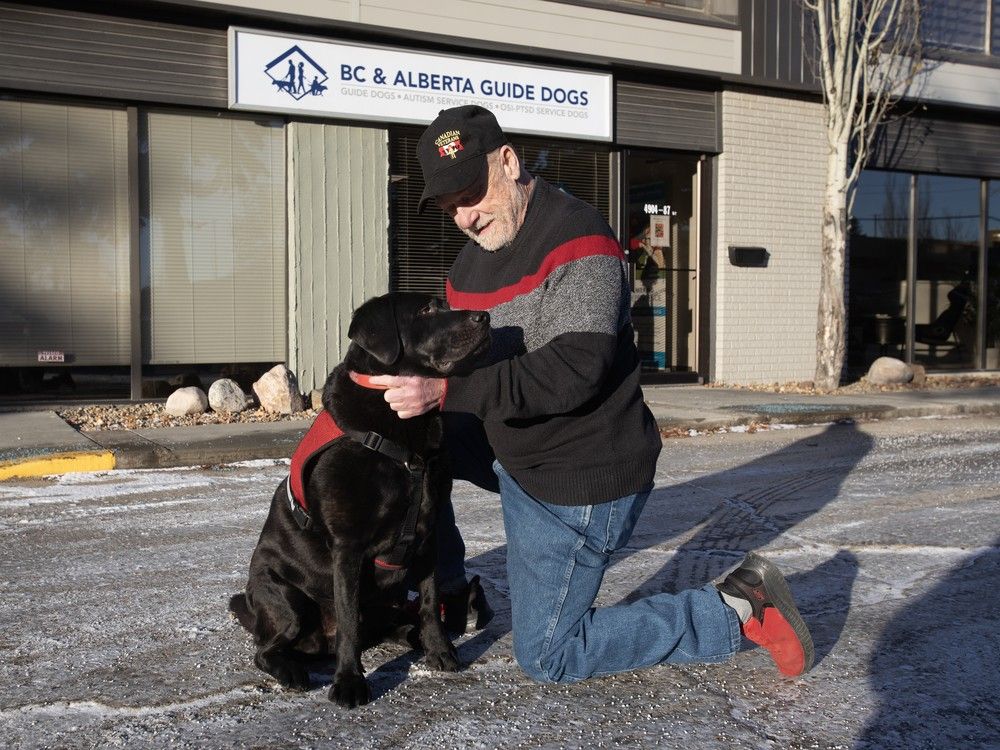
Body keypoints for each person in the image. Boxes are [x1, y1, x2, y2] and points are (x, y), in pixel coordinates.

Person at [370, 105, 814, 682]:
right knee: (407, 443)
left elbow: (574, 371)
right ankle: (444, 591)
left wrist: (446, 391)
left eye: (471, 193)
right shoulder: (466, 268)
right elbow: (456, 366)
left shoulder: (581, 239)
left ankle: (739, 610)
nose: (465, 216)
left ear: (507, 161)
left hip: (578, 472)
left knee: (549, 654)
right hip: (517, 445)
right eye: (449, 205)